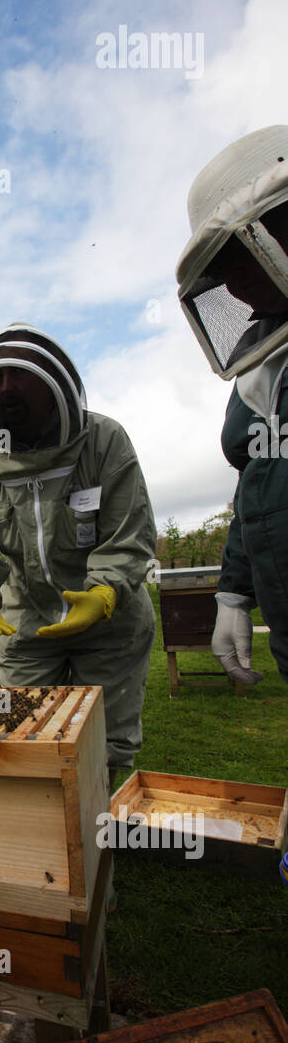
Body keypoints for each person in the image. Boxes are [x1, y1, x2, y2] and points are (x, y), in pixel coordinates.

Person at [0, 324, 157, 785]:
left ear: (56, 382)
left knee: (106, 739)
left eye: (18, 374)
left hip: (110, 623)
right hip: (27, 622)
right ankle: (47, 840)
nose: (5, 388)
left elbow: (128, 533)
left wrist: (103, 593)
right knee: (27, 733)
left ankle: (101, 839)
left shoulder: (104, 440)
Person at [176, 125, 288, 690]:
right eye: (222, 271)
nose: (237, 287)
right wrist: (234, 591)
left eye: (241, 257)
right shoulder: (261, 360)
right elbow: (260, 480)